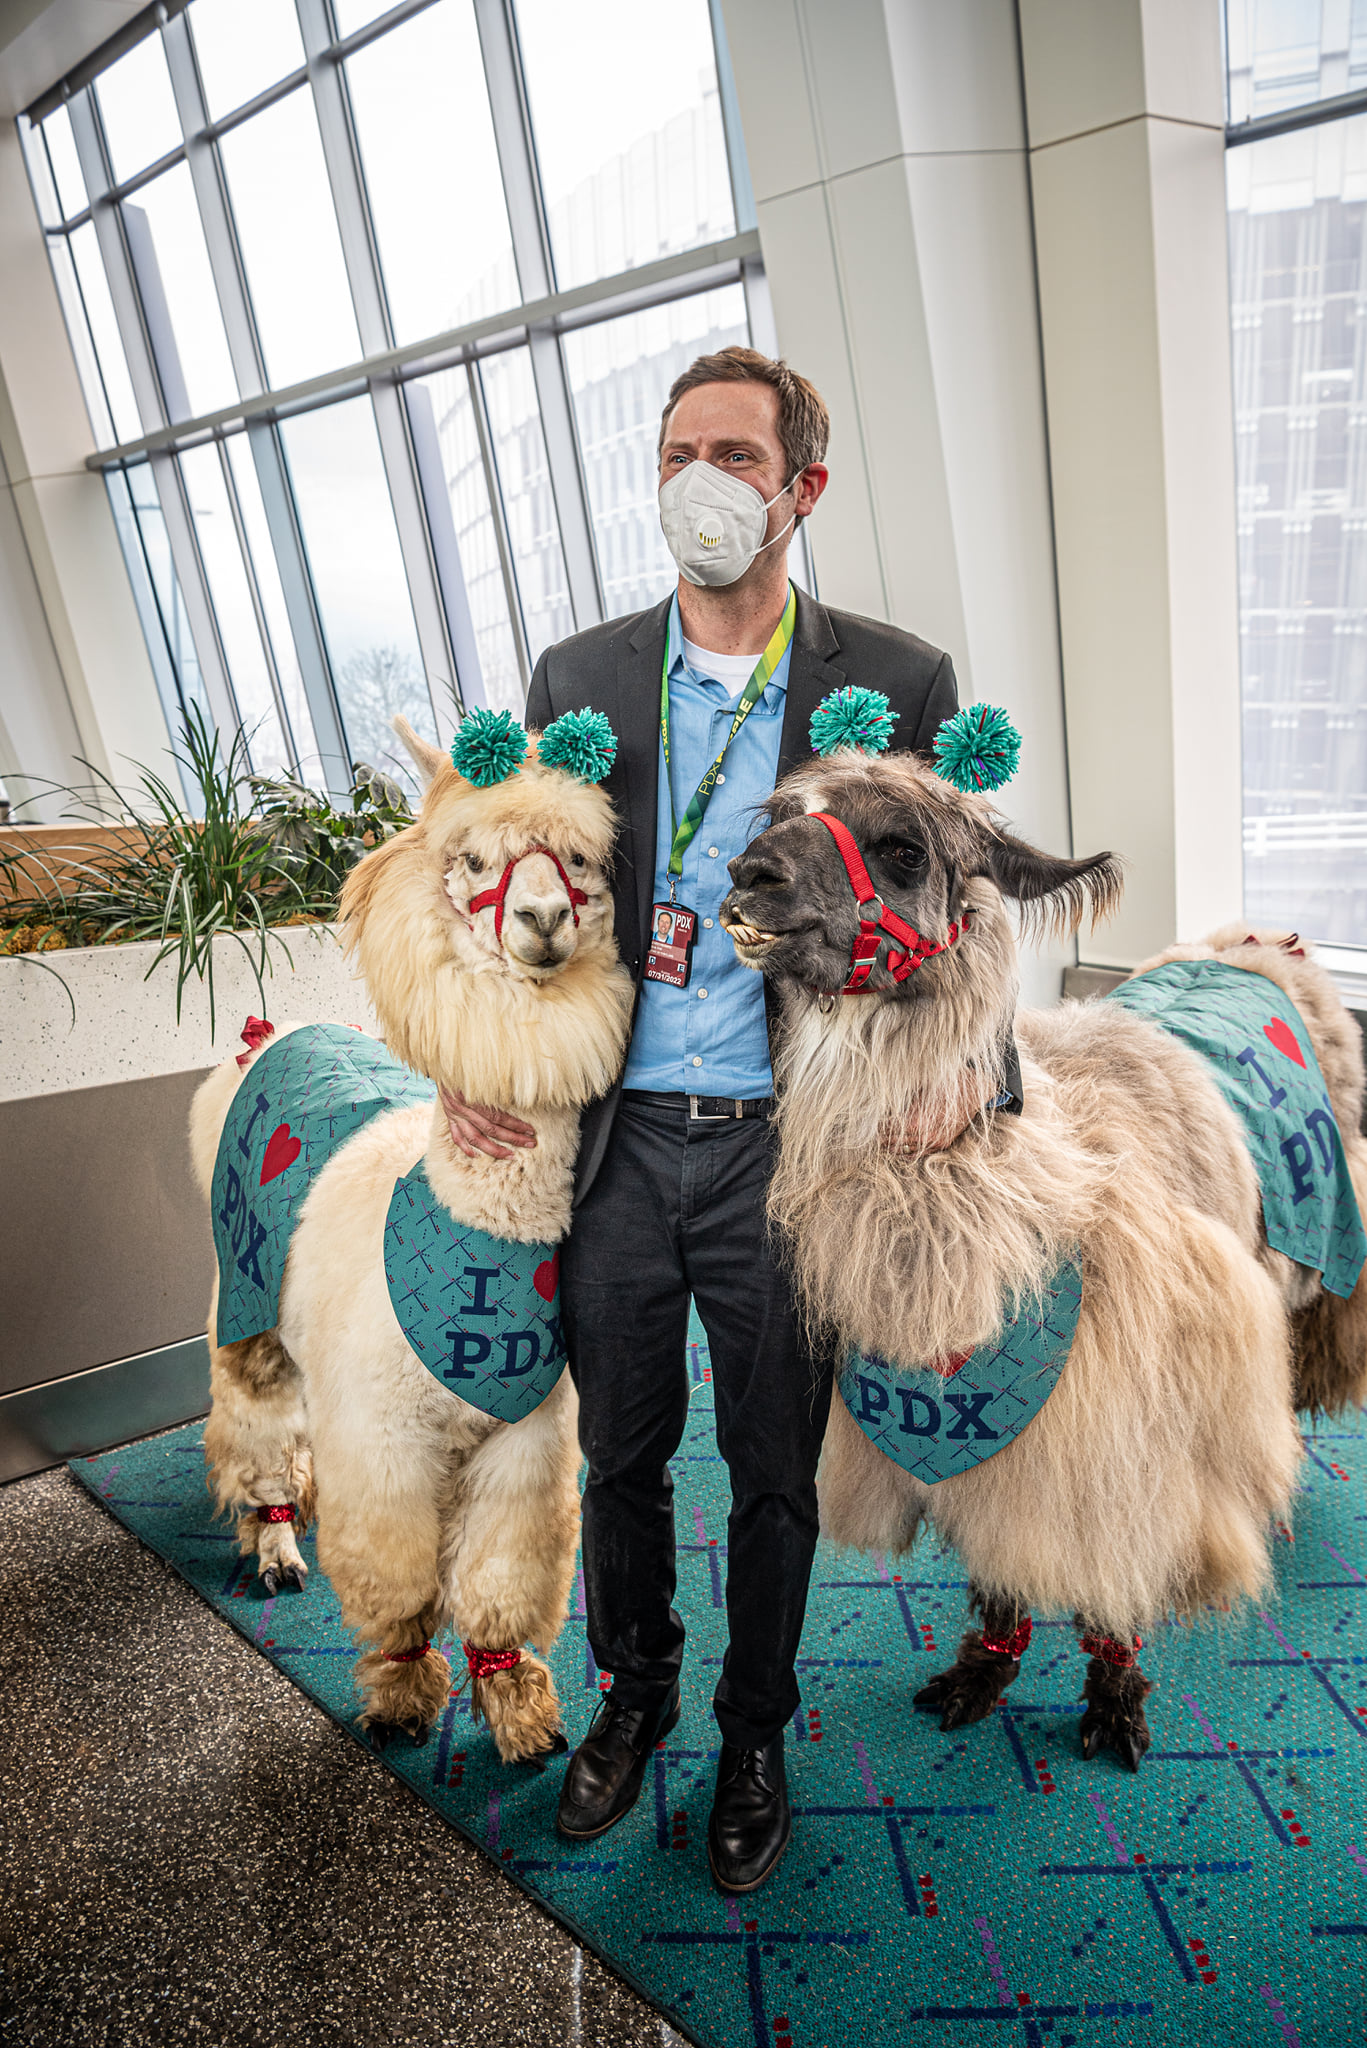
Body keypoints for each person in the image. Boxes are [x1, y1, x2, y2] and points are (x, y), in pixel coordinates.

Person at [445, 347, 962, 1894]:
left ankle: (753, 1731)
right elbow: (510, 893)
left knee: (774, 1468)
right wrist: (473, 1056)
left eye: (735, 455)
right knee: (622, 1453)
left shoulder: (897, 682)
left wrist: (958, 1077)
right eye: (679, 453)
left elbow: (951, 919)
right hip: (618, 1141)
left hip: (785, 1153)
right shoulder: (579, 681)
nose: (699, 482)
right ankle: (638, 1694)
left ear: (804, 487)